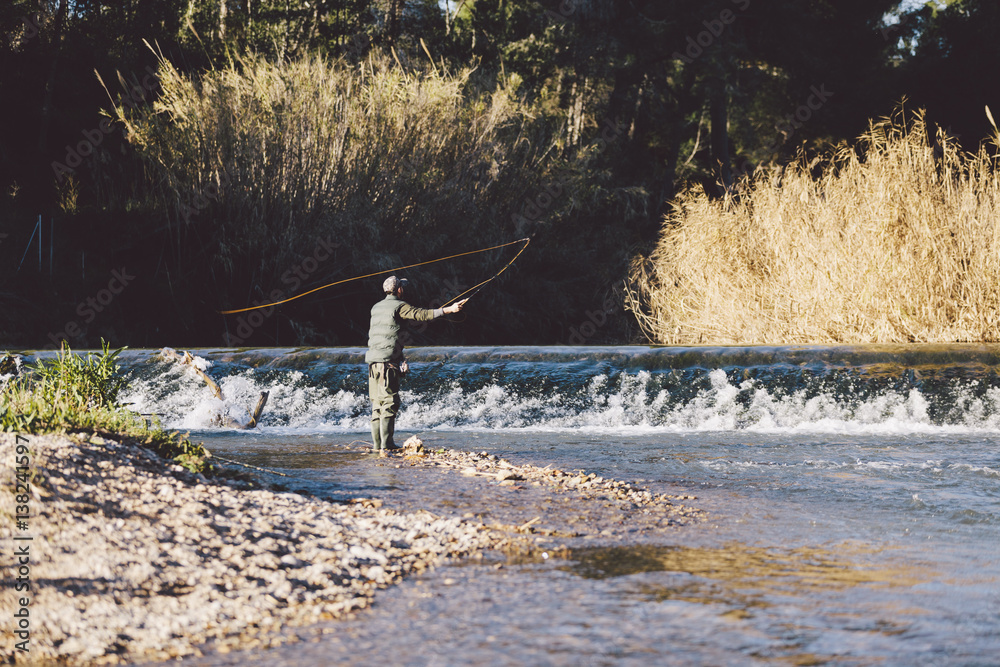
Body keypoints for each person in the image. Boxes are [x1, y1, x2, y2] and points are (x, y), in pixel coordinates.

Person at [365, 275, 467, 452]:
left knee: (377, 405)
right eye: (402, 287)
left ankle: (377, 447)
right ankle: (387, 446)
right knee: (389, 403)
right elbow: (422, 315)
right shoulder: (399, 306)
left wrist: (401, 358)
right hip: (387, 362)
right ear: (399, 290)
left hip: (373, 362)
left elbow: (385, 336)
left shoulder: (376, 307)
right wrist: (449, 309)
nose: (404, 289)